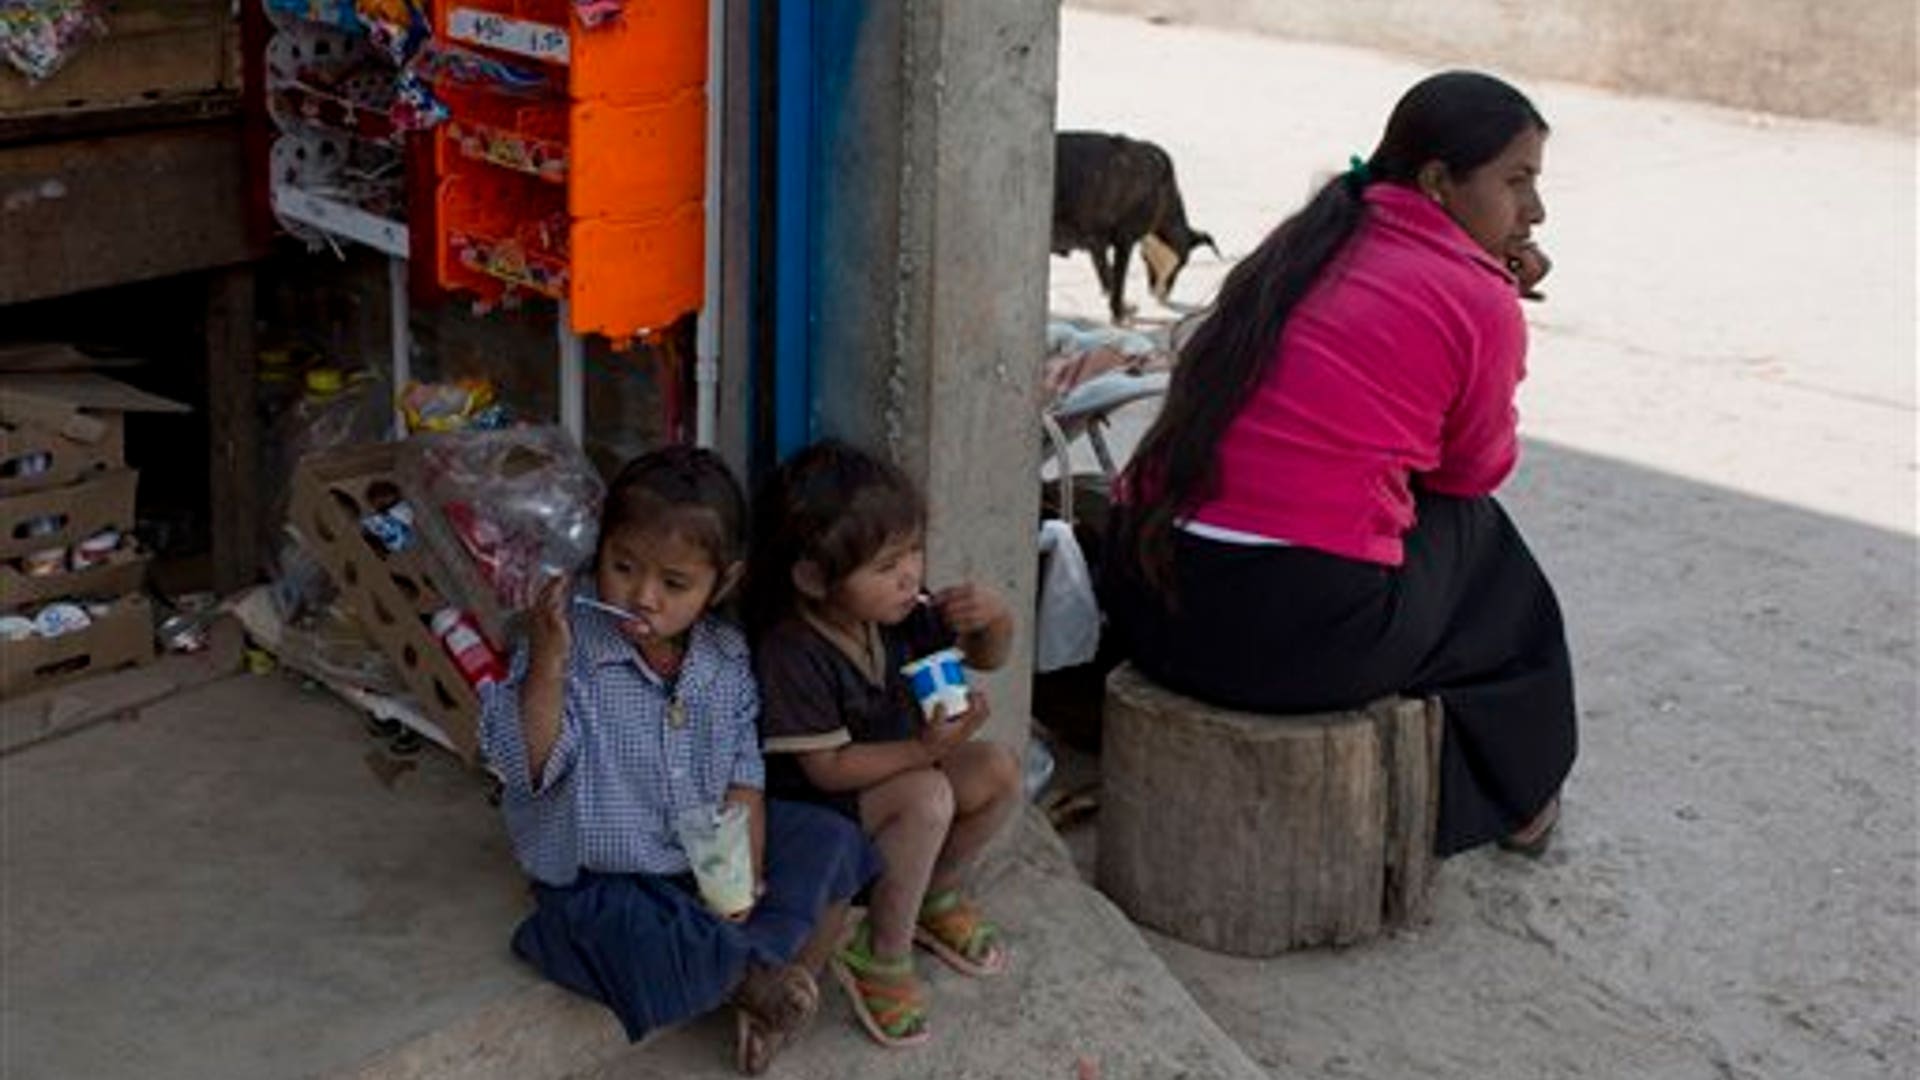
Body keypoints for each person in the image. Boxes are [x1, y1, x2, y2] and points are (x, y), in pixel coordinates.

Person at [1102, 70, 1576, 859]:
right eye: (1516, 182)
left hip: (1152, 604)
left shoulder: (1310, 242)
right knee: (1478, 538)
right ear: (1437, 182)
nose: (1535, 211)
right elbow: (1472, 470)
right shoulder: (1474, 296)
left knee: (1411, 525)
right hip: (1296, 651)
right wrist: (1491, 297)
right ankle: (1519, 792)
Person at [478, 446, 879, 1076]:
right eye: (622, 566)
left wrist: (738, 875)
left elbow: (744, 774)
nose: (641, 597)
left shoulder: (723, 655)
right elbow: (528, 766)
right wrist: (549, 664)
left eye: (674, 583)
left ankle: (760, 976)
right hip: (604, 880)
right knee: (629, 928)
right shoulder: (569, 645)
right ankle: (754, 979)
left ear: (725, 582)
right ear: (599, 552)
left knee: (833, 840)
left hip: (698, 867)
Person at [744, 439, 1023, 1048]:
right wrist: (925, 750)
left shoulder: (895, 616)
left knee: (998, 769)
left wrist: (995, 619)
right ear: (814, 576)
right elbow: (826, 768)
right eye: (886, 565)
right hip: (819, 815)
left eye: (914, 552)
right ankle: (881, 951)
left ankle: (932, 893)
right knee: (926, 794)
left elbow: (986, 657)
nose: (910, 576)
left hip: (890, 783)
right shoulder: (791, 651)